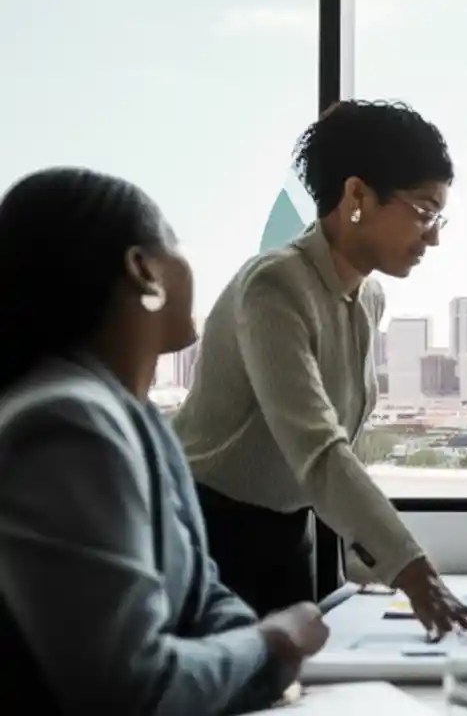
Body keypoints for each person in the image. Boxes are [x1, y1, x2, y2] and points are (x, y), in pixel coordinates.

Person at [173, 100, 467, 637]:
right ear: (357, 196)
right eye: (424, 211)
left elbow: (331, 458)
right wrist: (417, 576)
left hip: (295, 533)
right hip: (209, 537)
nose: (434, 235)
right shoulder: (273, 287)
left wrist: (379, 570)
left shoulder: (367, 298)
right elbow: (318, 450)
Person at [0, 167, 328, 714]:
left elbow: (201, 594)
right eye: (175, 243)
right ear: (143, 270)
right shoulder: (67, 424)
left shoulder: (137, 419)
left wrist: (258, 649)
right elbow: (130, 689)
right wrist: (272, 642)